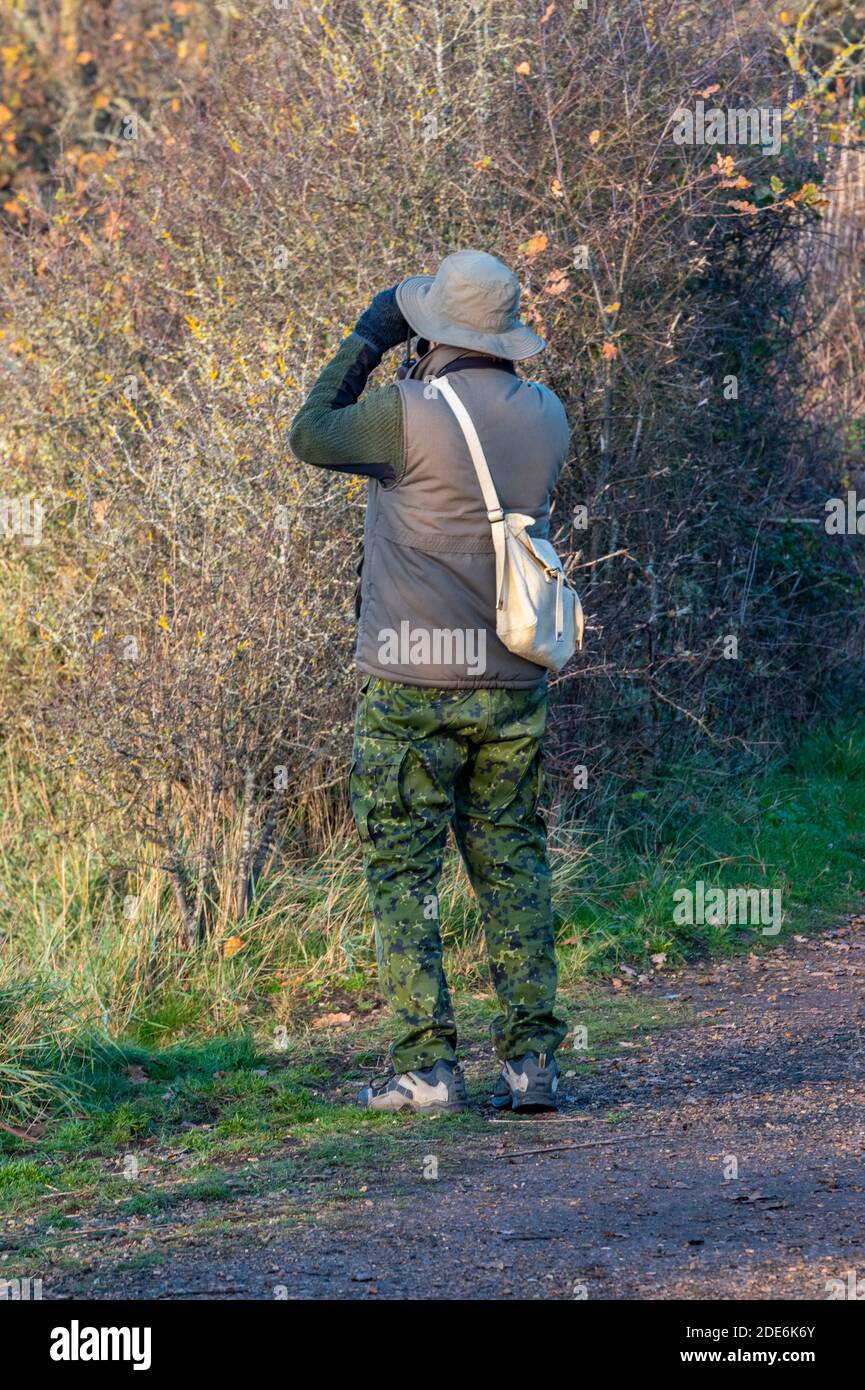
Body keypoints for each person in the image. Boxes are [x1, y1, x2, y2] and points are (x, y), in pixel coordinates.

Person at [289, 249, 571, 1113]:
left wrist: (370, 336)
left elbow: (309, 432)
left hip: (411, 685)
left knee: (403, 872)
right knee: (512, 862)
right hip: (513, 680)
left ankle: (428, 1067)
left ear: (429, 329)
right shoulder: (547, 413)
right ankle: (531, 1063)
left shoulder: (404, 414)